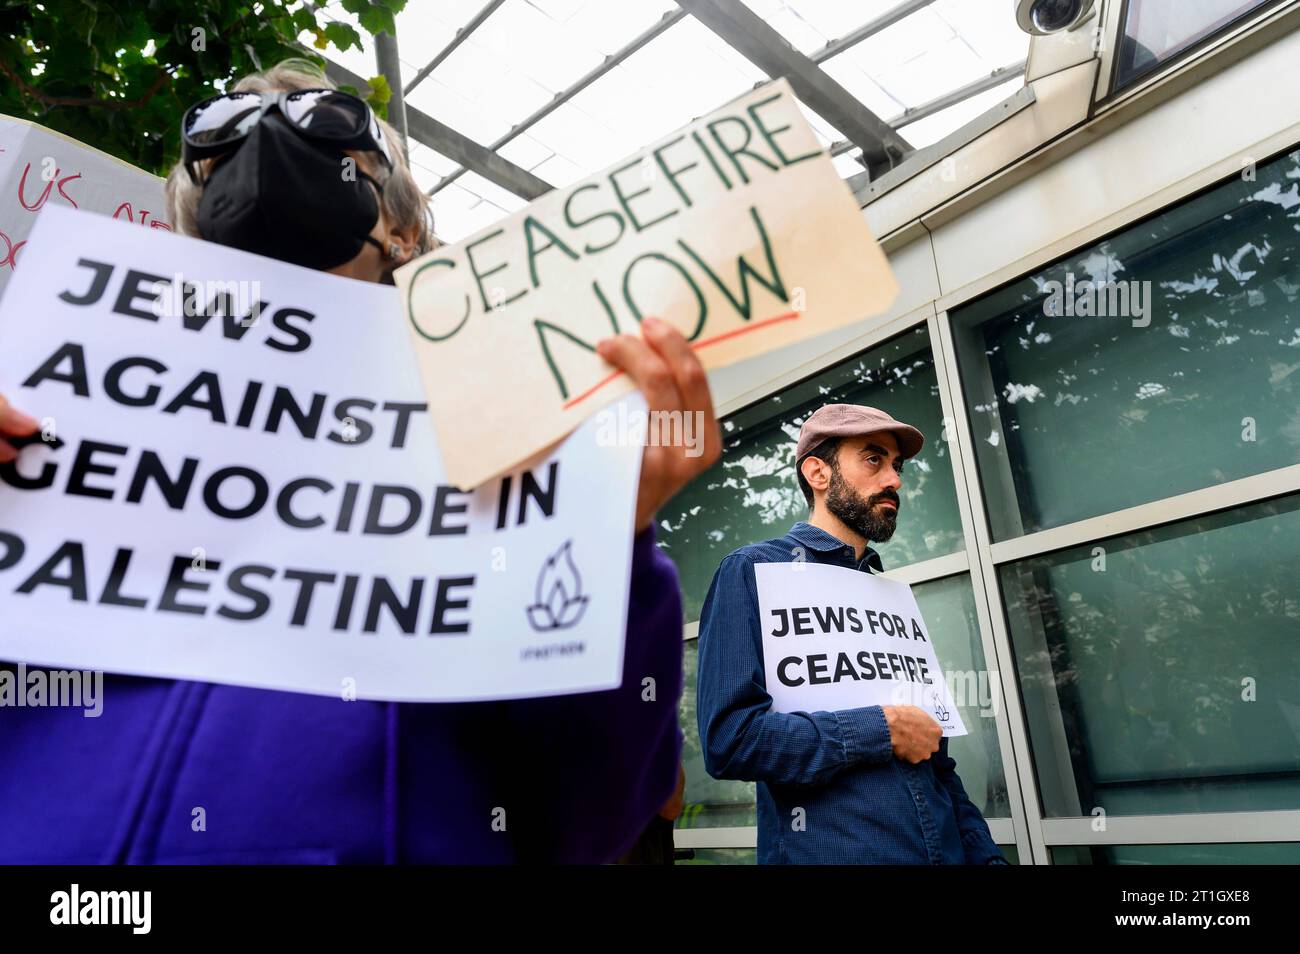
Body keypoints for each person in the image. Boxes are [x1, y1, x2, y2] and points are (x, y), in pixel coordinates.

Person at [0, 59, 720, 864]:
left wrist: (606, 544)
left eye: (324, 131)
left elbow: (582, 819)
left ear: (403, 233)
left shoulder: (507, 455)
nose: (269, 151)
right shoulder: (52, 418)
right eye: (225, 146)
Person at [695, 403, 1005, 864]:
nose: (895, 480)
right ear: (818, 473)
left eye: (896, 466)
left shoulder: (888, 596)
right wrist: (879, 728)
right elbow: (731, 740)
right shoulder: (752, 570)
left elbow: (935, 763)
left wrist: (988, 859)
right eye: (873, 458)